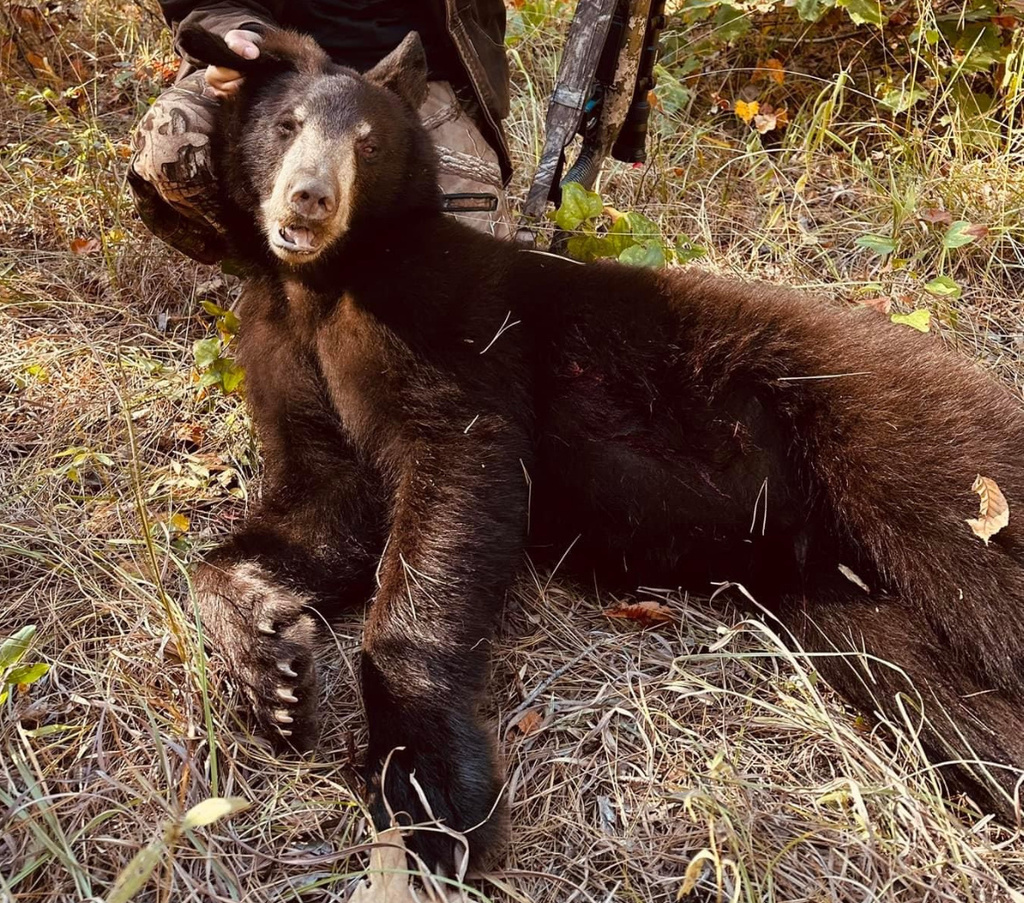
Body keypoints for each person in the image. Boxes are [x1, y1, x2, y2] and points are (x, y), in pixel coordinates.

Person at [129, 1, 513, 263]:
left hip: (416, 82)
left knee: (474, 265)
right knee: (173, 138)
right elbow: (205, 2)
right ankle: (270, 267)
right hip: (281, 68)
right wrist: (238, 34)